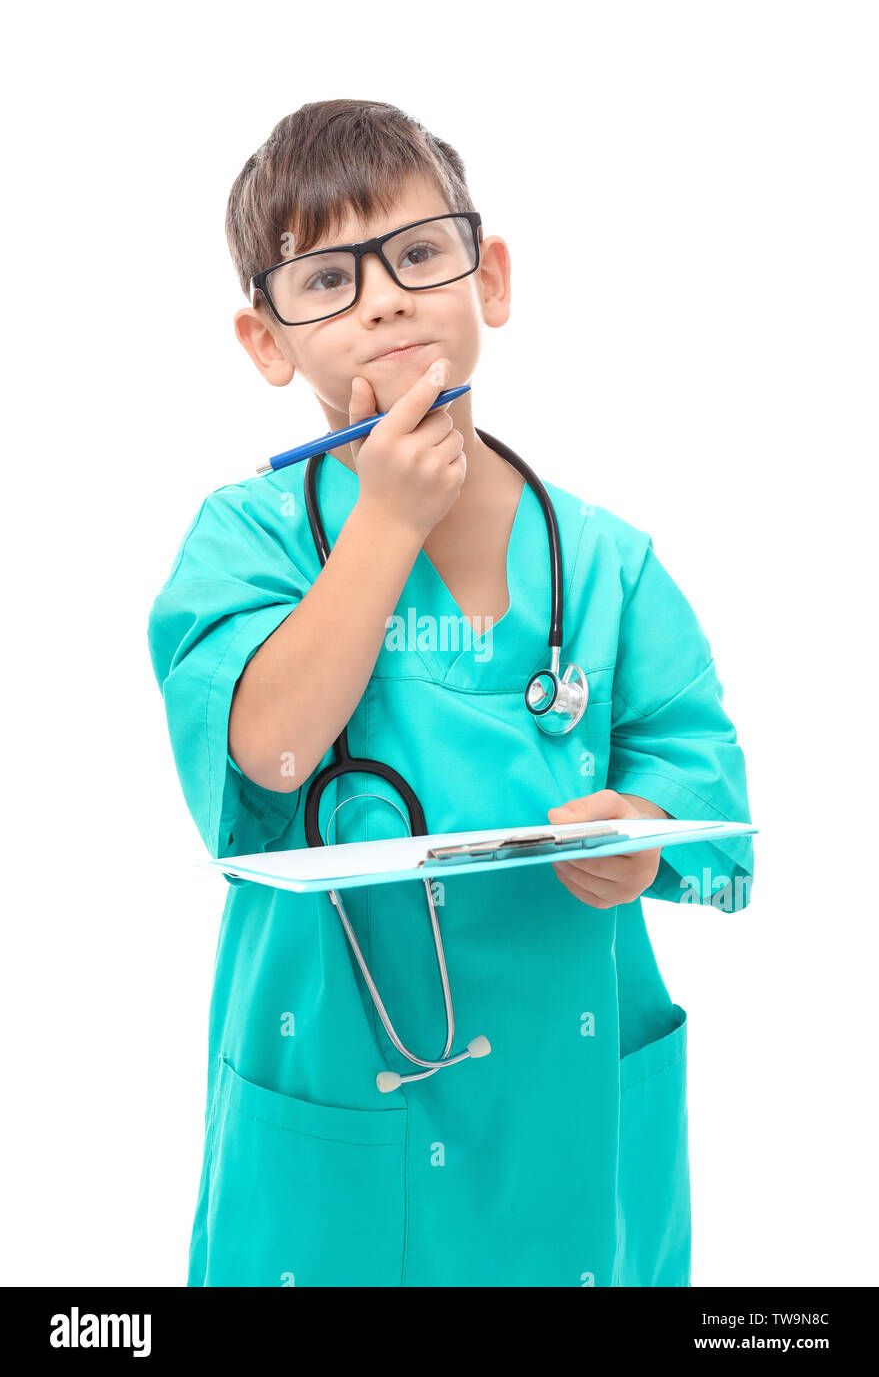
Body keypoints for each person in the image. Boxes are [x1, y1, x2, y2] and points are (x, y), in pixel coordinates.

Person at [147, 99, 754, 1288]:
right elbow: (268, 754)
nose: (384, 298)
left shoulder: (612, 564)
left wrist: (645, 837)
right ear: (266, 341)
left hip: (568, 1090)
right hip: (338, 1068)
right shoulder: (245, 542)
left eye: (419, 254)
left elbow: (705, 803)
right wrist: (385, 521)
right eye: (327, 278)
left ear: (493, 278)